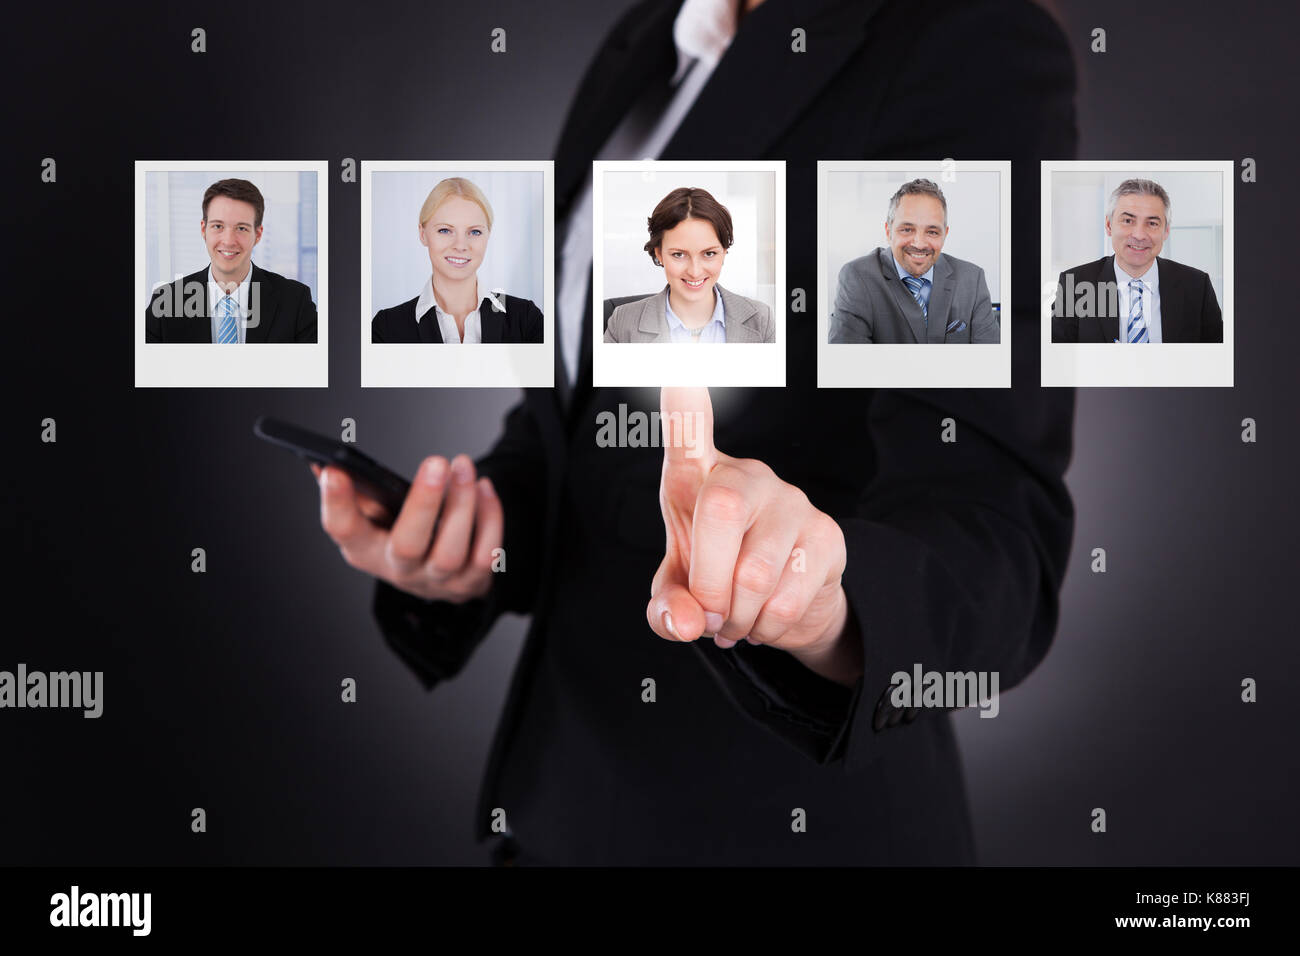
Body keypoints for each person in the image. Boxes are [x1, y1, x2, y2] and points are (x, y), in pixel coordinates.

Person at [314, 0, 1077, 866]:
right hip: (556, 803)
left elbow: (995, 539)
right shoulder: (652, 39)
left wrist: (820, 603)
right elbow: (590, 423)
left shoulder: (963, 42)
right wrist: (476, 534)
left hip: (779, 832)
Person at [371, 177, 543, 344]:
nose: (460, 246)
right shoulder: (387, 327)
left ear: (488, 236)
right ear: (423, 234)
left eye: (474, 232)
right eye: (445, 230)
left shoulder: (526, 319)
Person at [145, 178, 317, 343]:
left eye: (241, 228)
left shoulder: (295, 302)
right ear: (204, 230)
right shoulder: (166, 303)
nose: (228, 241)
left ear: (257, 234)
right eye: (218, 226)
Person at [1051, 178, 1223, 343]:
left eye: (1152, 223)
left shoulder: (1197, 286)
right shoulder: (1074, 285)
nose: (1139, 235)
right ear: (1109, 225)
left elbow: (1220, 359)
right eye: (1128, 221)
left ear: (1166, 231)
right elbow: (1055, 359)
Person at [829, 178, 998, 344]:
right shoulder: (857, 277)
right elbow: (848, 364)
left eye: (932, 232)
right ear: (889, 231)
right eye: (907, 229)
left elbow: (992, 362)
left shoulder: (972, 279)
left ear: (945, 234)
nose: (919, 244)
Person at [603, 186, 775, 342]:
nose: (694, 271)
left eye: (709, 253)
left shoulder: (761, 319)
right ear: (659, 254)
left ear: (724, 252)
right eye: (679, 254)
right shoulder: (622, 323)